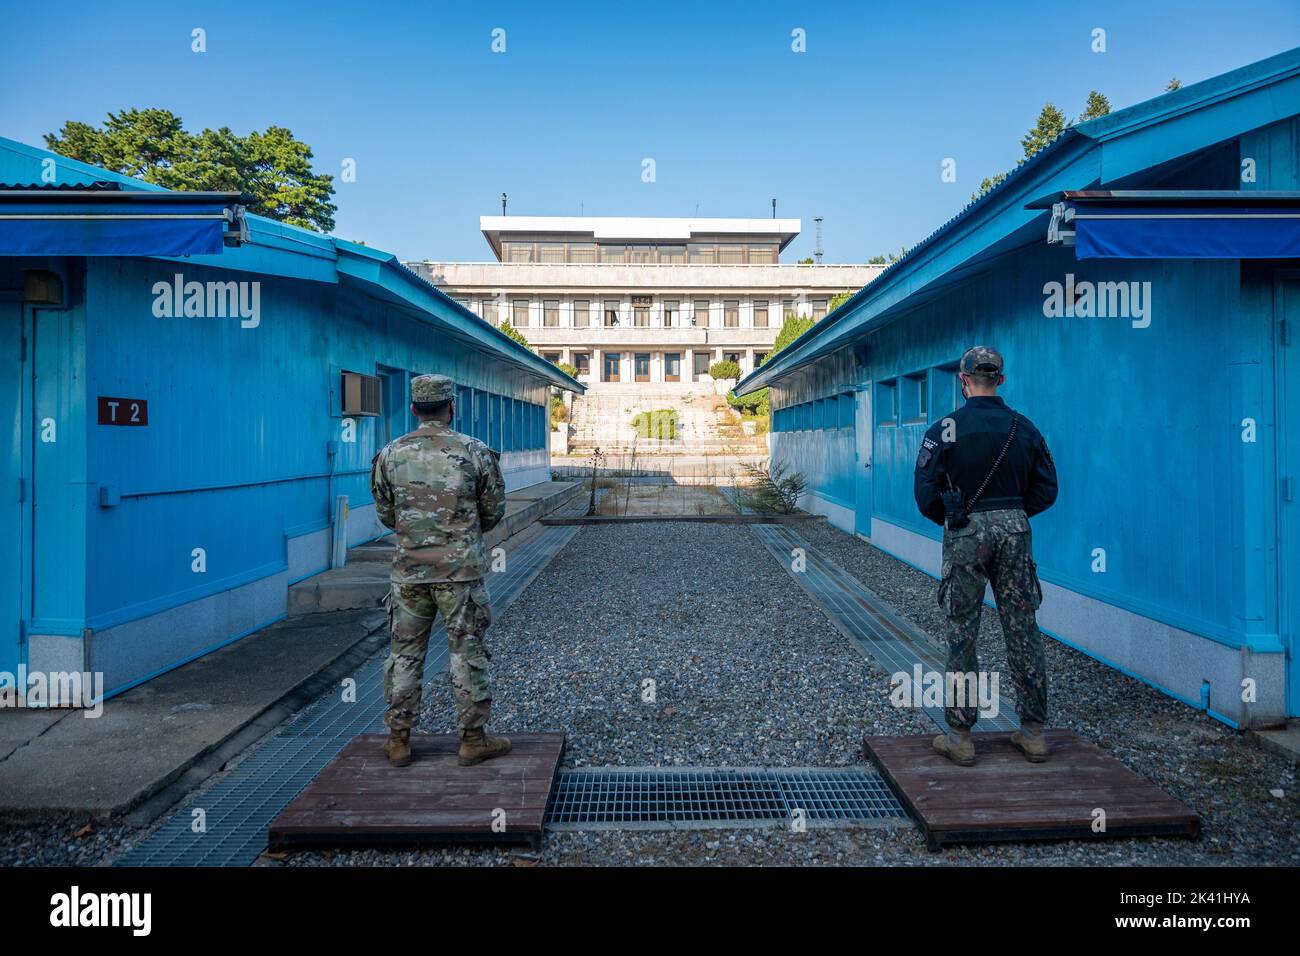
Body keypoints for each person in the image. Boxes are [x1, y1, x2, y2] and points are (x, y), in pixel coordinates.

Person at [913, 346, 1058, 766]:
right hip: (1015, 530)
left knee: (963, 631)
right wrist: (1011, 514)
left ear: (963, 381)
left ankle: (961, 735)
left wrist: (955, 517)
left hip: (966, 533)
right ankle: (1033, 732)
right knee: (1023, 627)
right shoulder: (1024, 428)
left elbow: (925, 494)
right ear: (1001, 380)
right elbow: (1048, 490)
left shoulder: (945, 429)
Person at [369, 374, 509, 768]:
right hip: (460, 573)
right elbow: (493, 511)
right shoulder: (474, 452)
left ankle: (398, 740)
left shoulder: (391, 454)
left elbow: (386, 513)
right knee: (466, 653)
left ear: (414, 408)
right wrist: (460, 531)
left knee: (405, 655)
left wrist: (417, 532)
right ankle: (472, 740)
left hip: (409, 574)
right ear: (452, 407)